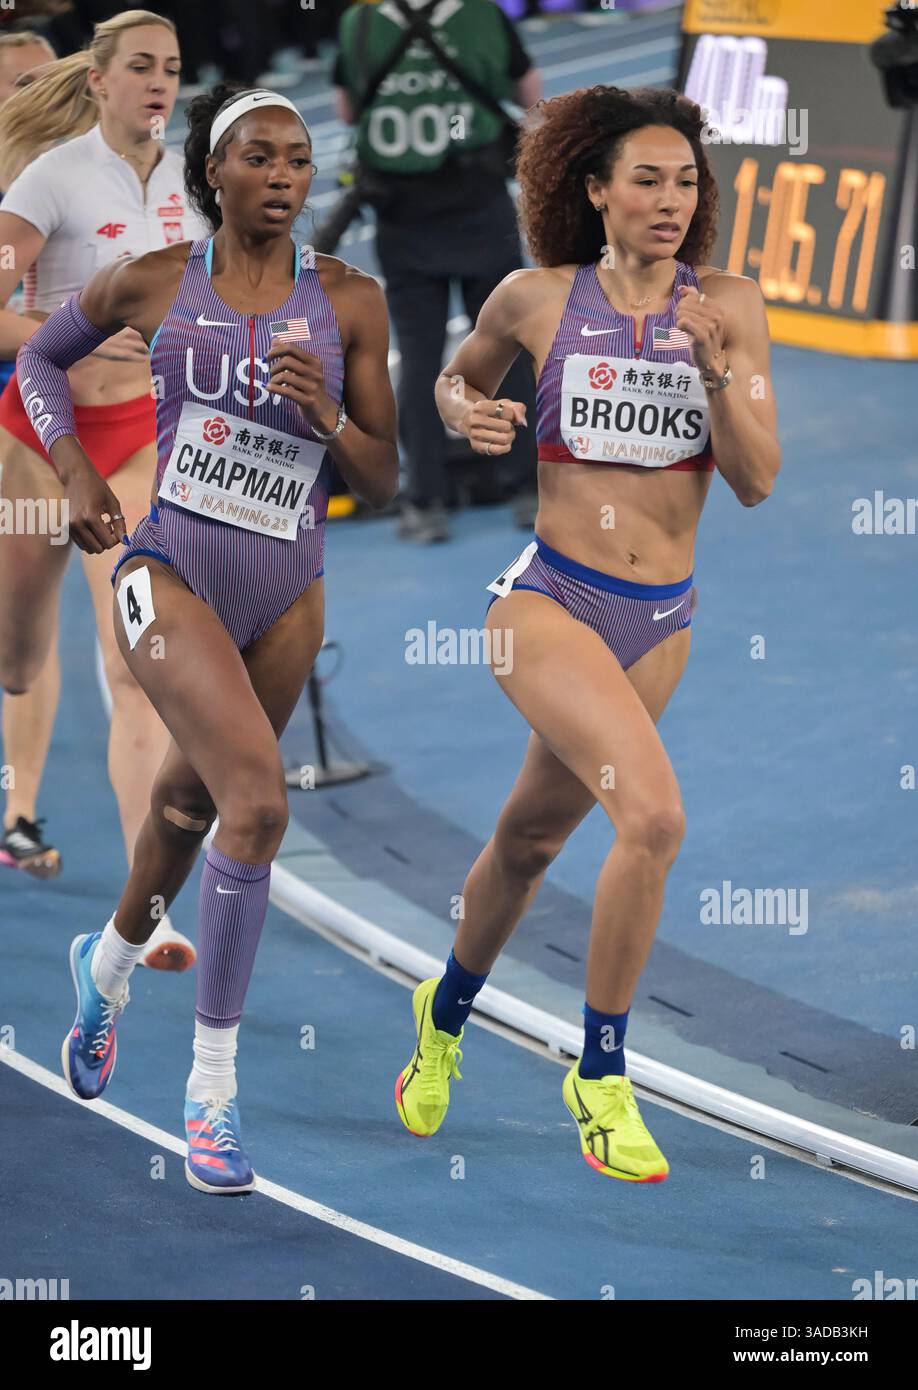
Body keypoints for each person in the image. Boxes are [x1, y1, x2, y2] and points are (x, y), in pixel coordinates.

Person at [394, 86, 781, 1182]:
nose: (670, 199)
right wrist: (461, 410)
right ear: (595, 190)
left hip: (661, 621)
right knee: (652, 819)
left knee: (527, 842)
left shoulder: (733, 308)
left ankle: (445, 1009)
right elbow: (453, 380)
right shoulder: (535, 299)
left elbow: (755, 481)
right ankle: (601, 1073)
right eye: (646, 179)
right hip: (547, 603)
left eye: (687, 181)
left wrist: (712, 373)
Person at [18, 84, 398, 1192]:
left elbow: (385, 476)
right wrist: (78, 471)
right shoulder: (151, 282)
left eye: (297, 160)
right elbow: (41, 362)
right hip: (167, 570)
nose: (282, 175)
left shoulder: (353, 304)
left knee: (193, 807)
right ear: (213, 173)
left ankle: (107, 964)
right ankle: (212, 1090)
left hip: (287, 594)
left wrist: (327, 414)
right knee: (261, 805)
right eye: (257, 157)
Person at [0, 11, 202, 968]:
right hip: (42, 437)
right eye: (142, 68)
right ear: (101, 81)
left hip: (139, 438)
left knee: (134, 664)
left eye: (172, 68)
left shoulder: (190, 183)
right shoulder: (47, 180)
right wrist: (78, 323)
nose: (161, 83)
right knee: (16, 659)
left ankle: (144, 904)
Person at [332, 0, 542, 542]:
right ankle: (525, 486)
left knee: (421, 356)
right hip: (479, 204)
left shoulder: (359, 22)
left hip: (402, 216)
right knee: (506, 350)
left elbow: (347, 111)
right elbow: (528, 94)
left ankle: (425, 499)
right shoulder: (481, 14)